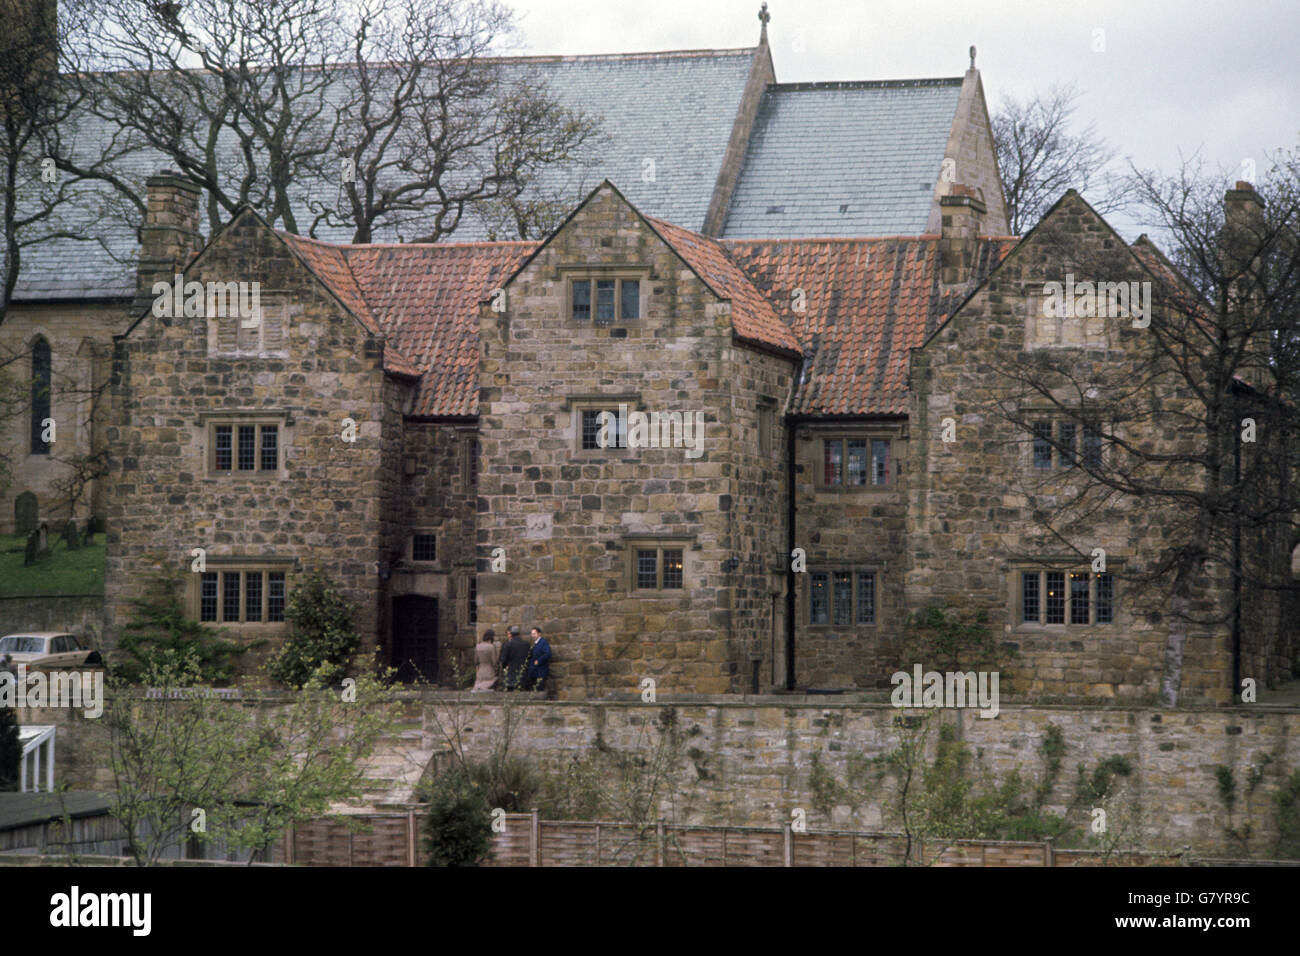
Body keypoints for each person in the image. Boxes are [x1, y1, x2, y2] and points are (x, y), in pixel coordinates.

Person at [498, 625, 529, 691]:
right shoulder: (526, 644)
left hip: (511, 673)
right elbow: (529, 657)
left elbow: (503, 659)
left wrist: (504, 667)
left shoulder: (508, 644)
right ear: (519, 634)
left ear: (511, 634)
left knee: (510, 692)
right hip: (523, 673)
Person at [524, 626, 553, 695]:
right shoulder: (535, 644)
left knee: (539, 690)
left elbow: (548, 654)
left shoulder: (543, 642)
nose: (533, 636)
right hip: (534, 671)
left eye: (534, 634)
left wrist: (538, 661)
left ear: (539, 634)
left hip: (540, 671)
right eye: (532, 634)